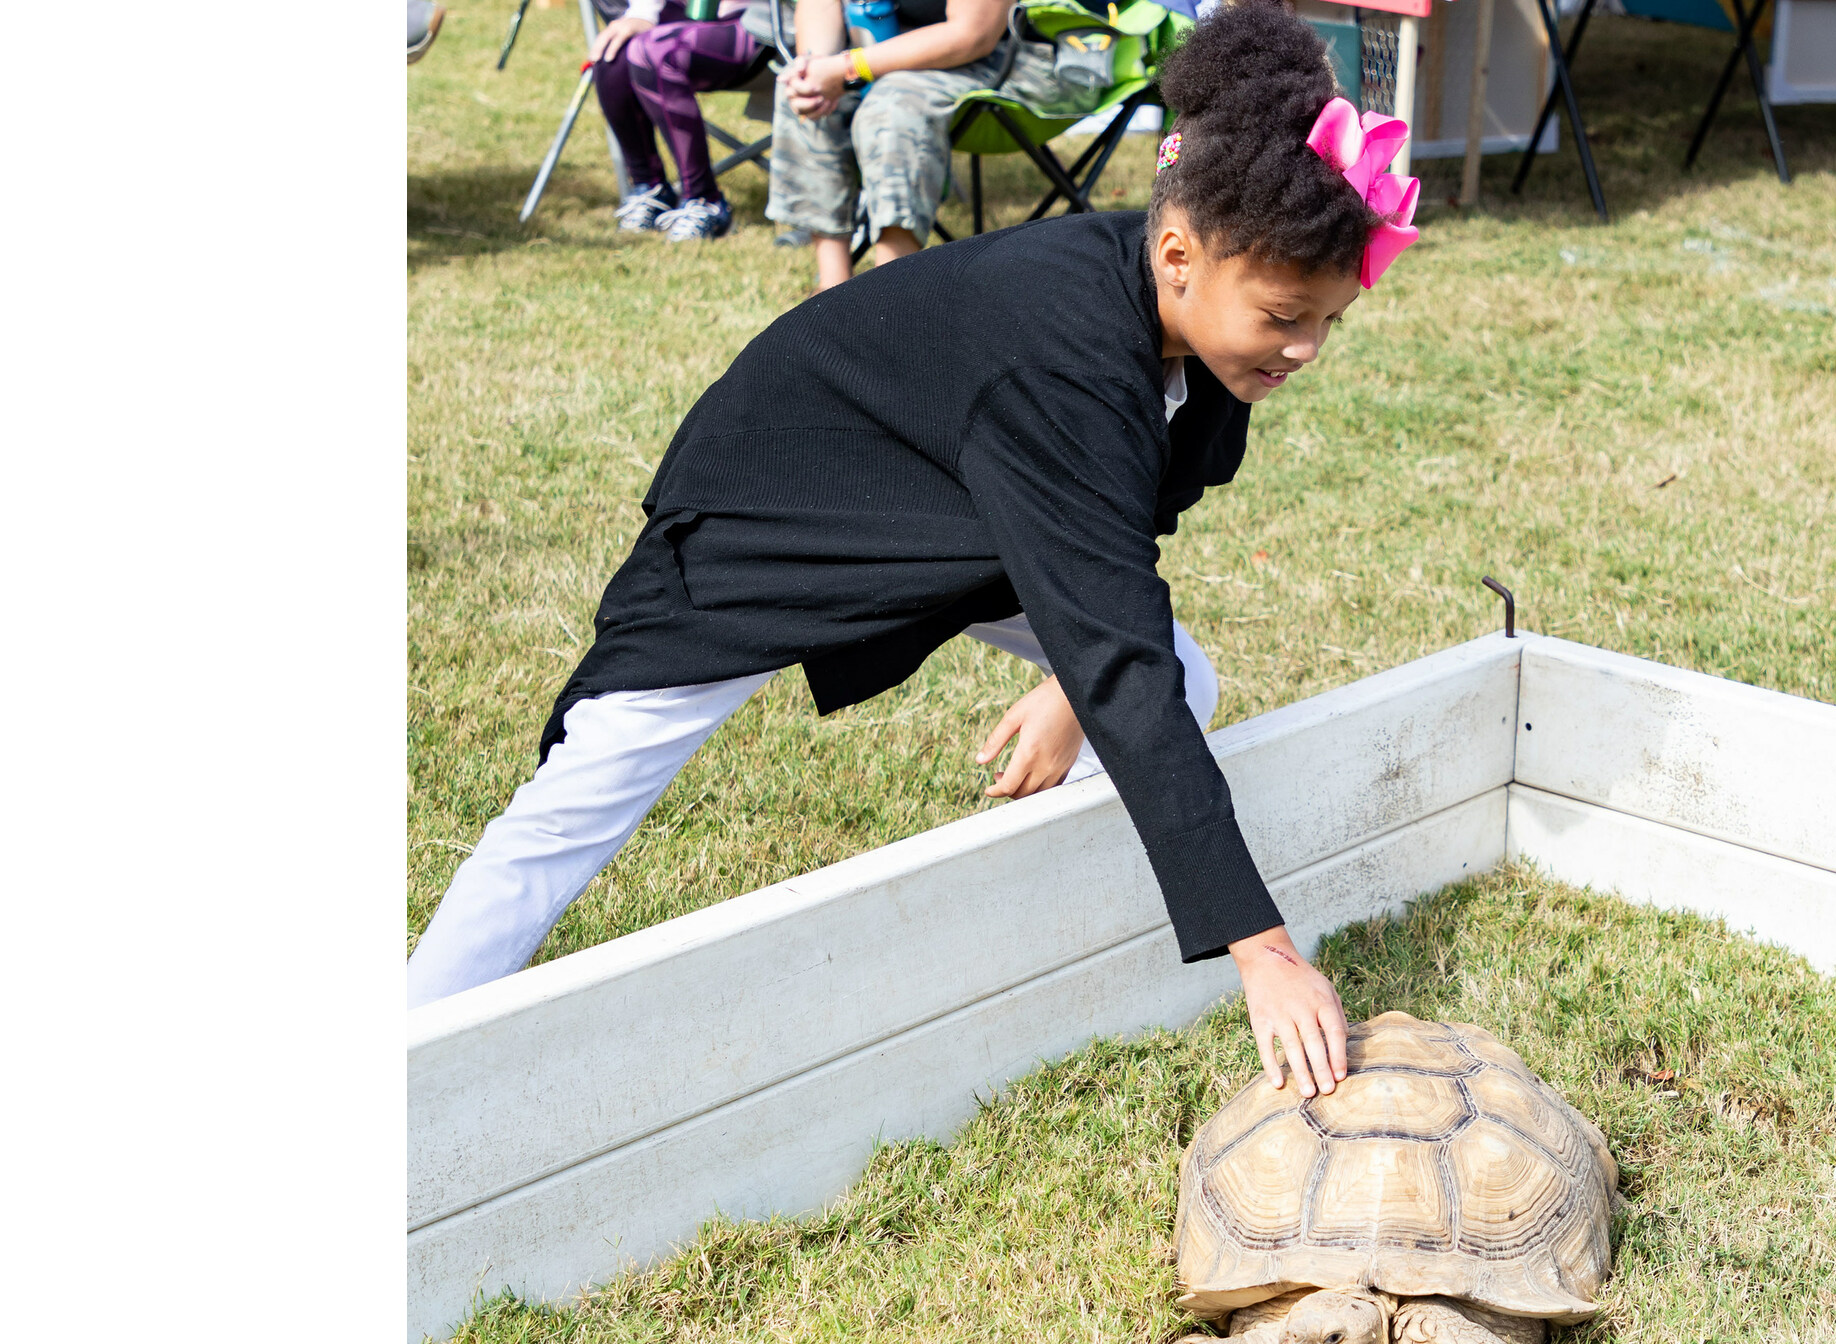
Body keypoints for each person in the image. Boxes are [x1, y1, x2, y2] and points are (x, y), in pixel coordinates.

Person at [407, 2, 1423, 1104]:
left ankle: (1035, 943)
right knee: (596, 777)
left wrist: (1076, 685)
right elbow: (1117, 650)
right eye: (1285, 316)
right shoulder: (1065, 358)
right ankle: (412, 1035)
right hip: (779, 510)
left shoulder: (1198, 325)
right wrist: (1263, 949)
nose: (1306, 348)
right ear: (1178, 255)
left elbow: (1122, 537)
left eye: (1327, 319)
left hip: (960, 507)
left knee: (1178, 676)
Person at [767, 0, 1107, 292]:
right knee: (803, 89)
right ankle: (832, 291)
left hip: (1033, 57)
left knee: (894, 104)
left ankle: (888, 294)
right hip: (901, 51)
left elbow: (973, 34)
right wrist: (815, 71)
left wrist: (847, 68)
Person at [587, 1, 776, 240]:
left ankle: (705, 201)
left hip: (760, 20)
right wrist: (642, 13)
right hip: (684, 15)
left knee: (657, 51)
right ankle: (651, 189)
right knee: (612, 56)